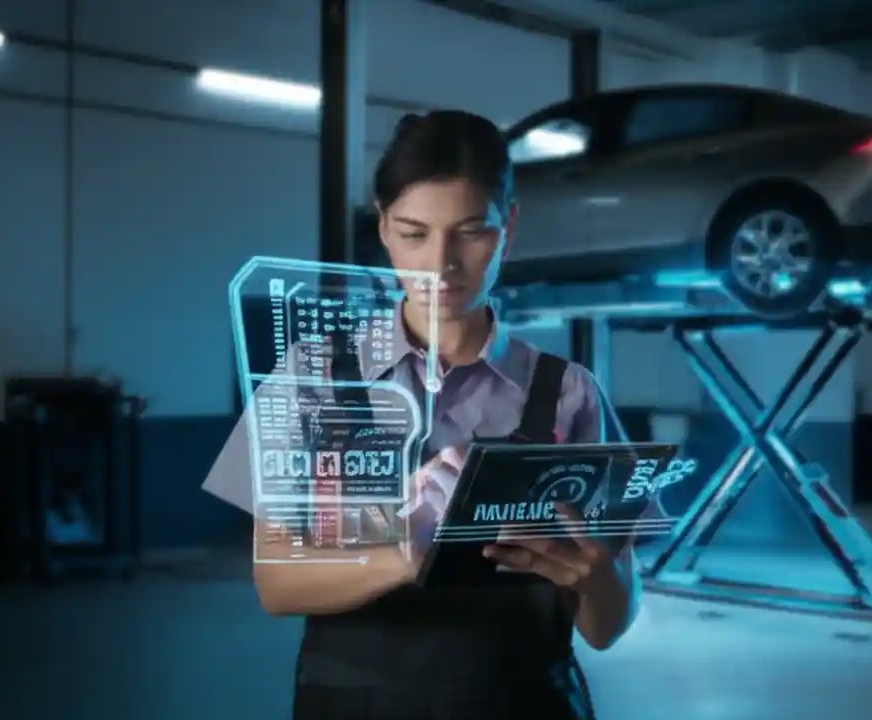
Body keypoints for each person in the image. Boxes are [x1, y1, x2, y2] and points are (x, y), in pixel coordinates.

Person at [202, 110, 639, 719]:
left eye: (471, 232)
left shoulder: (569, 393)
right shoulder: (313, 378)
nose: (440, 264)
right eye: (414, 233)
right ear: (384, 227)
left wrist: (598, 580)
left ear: (508, 228)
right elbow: (277, 585)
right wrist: (407, 550)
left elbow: (606, 627)